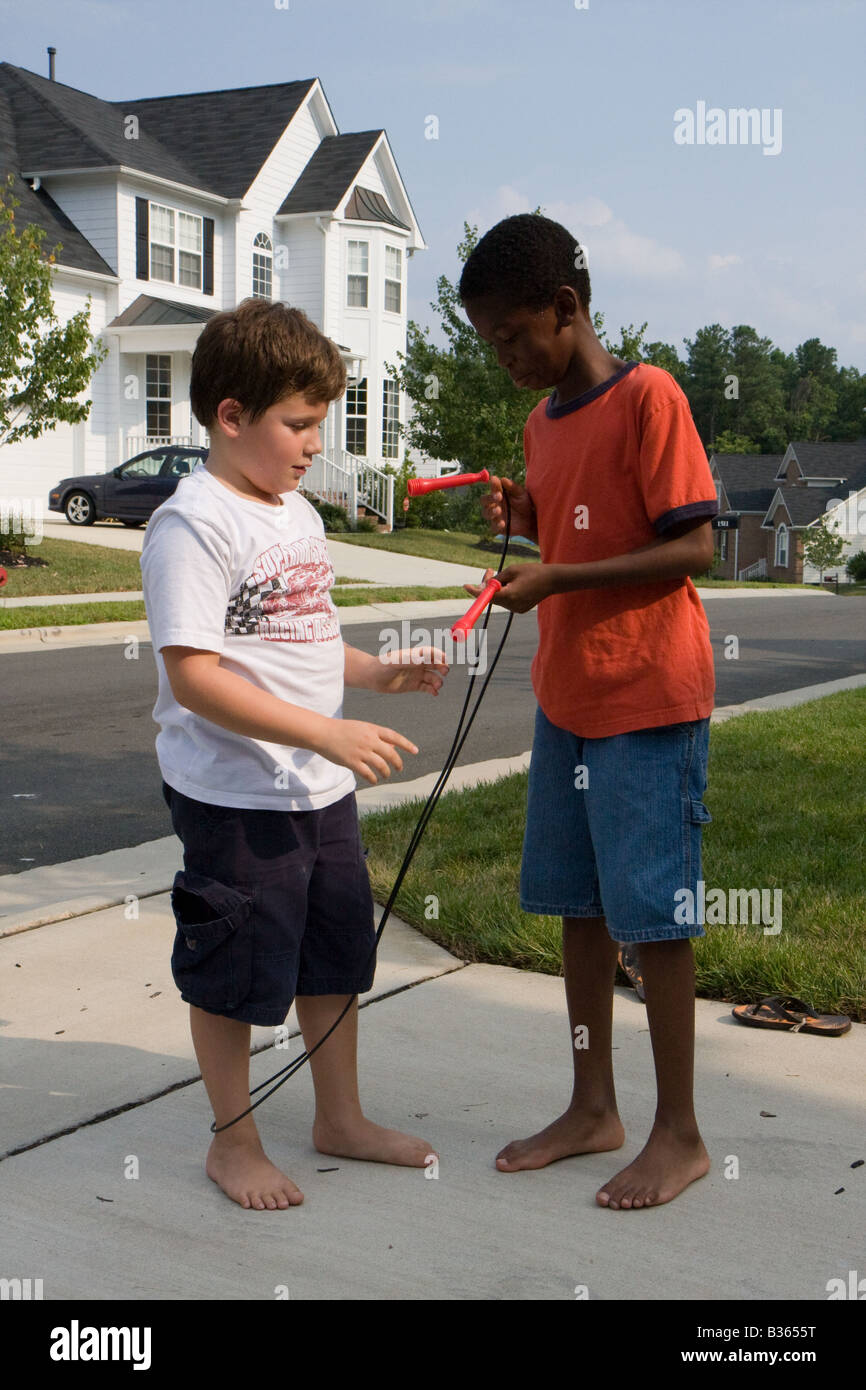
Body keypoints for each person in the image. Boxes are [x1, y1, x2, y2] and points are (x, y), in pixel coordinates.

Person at [140, 298, 448, 1211]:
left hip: (318, 789)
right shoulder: (192, 524)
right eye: (301, 423)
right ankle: (233, 1143)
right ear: (231, 416)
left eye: (322, 422)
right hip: (235, 795)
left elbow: (305, 641)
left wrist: (378, 675)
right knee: (236, 962)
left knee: (335, 950)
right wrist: (323, 732)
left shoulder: (296, 517)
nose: (318, 444)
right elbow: (195, 675)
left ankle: (339, 1117)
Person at [458, 213, 718, 1210]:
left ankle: (679, 1131)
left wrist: (554, 578)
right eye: (491, 344)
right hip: (568, 700)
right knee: (576, 909)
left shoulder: (648, 396)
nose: (506, 358)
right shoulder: (542, 424)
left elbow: (690, 548)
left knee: (653, 918)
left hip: (646, 699)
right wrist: (526, 516)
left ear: (564, 309)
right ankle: (591, 1105)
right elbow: (577, 515)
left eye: (513, 336)